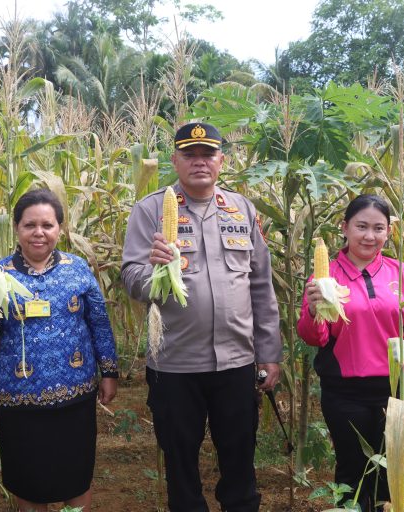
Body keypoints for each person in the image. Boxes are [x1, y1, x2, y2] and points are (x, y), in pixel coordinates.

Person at [121, 122, 282, 512]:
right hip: (176, 364)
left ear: (221, 160)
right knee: (181, 468)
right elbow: (130, 278)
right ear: (174, 160)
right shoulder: (150, 210)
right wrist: (156, 271)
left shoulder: (241, 208)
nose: (199, 162)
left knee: (240, 463)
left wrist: (269, 352)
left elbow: (260, 284)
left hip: (237, 362)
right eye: (189, 155)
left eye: (207, 154)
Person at [0, 188, 118, 512]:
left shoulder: (77, 269)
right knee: (29, 481)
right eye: (29, 225)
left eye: (47, 225)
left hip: (74, 397)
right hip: (19, 401)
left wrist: (110, 371)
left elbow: (99, 323)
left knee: (76, 477)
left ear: (60, 229)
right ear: (17, 229)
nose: (39, 233)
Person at [296, 194, 404, 512]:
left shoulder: (403, 275)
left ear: (388, 232)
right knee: (351, 470)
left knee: (391, 471)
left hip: (396, 388)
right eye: (361, 226)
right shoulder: (325, 277)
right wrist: (314, 310)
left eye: (378, 228)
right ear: (344, 228)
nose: (369, 236)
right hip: (346, 391)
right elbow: (315, 338)